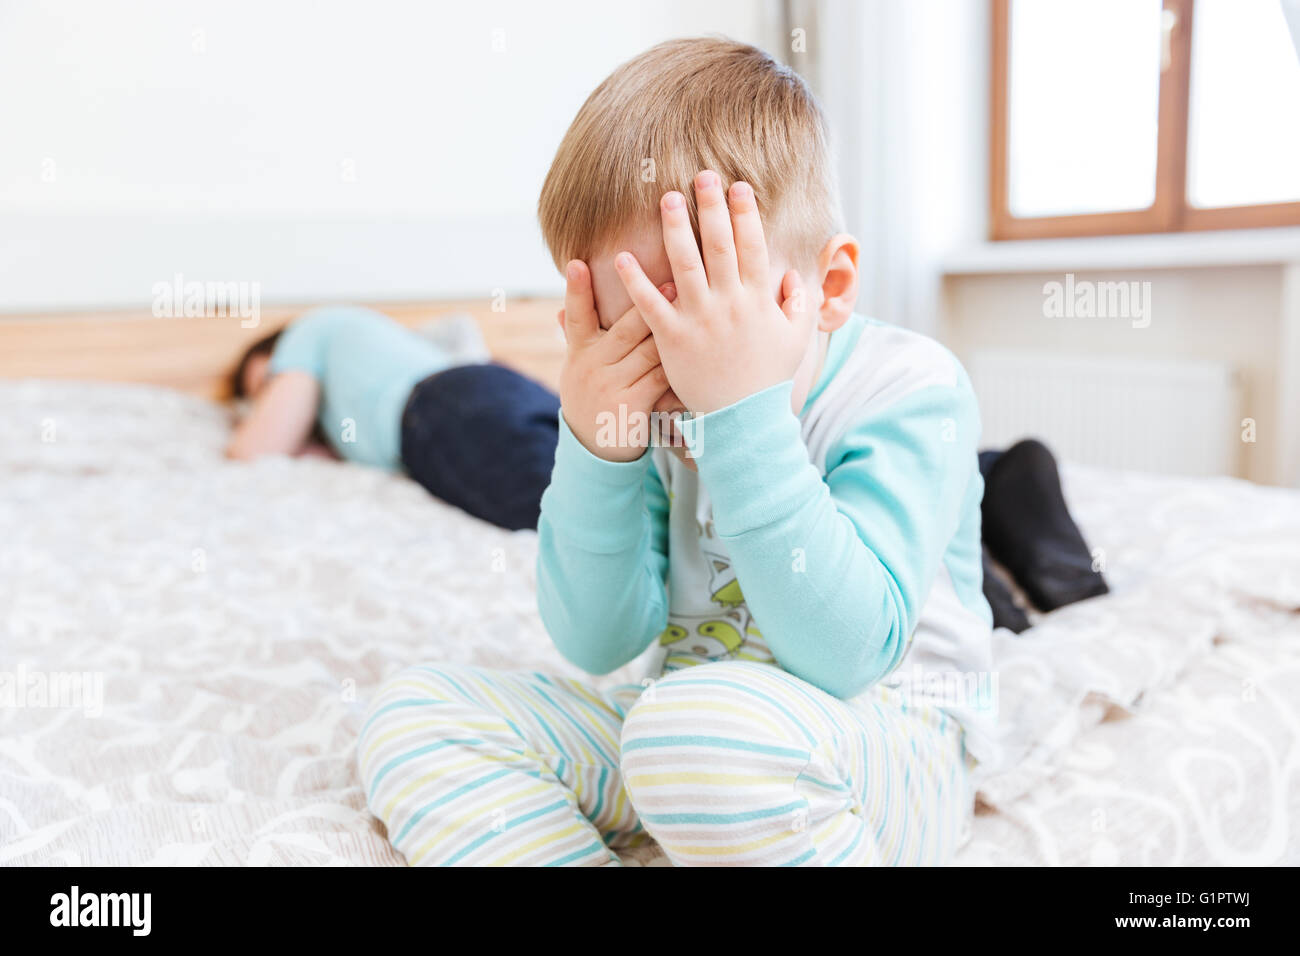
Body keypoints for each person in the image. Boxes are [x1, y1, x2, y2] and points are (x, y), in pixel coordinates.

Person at [359, 37, 996, 866]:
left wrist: (741, 413)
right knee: (416, 715)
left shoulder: (909, 389)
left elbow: (848, 654)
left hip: (887, 744)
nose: (665, 367)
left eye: (694, 315)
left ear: (826, 290)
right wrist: (596, 446)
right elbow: (600, 640)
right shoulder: (656, 416)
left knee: (688, 731)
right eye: (624, 330)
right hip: (685, 745)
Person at [226, 306, 560, 531]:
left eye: (267, 386)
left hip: (440, 410)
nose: (268, 401)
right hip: (484, 387)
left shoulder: (302, 335)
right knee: (591, 477)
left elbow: (254, 450)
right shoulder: (354, 377)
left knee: (573, 516)